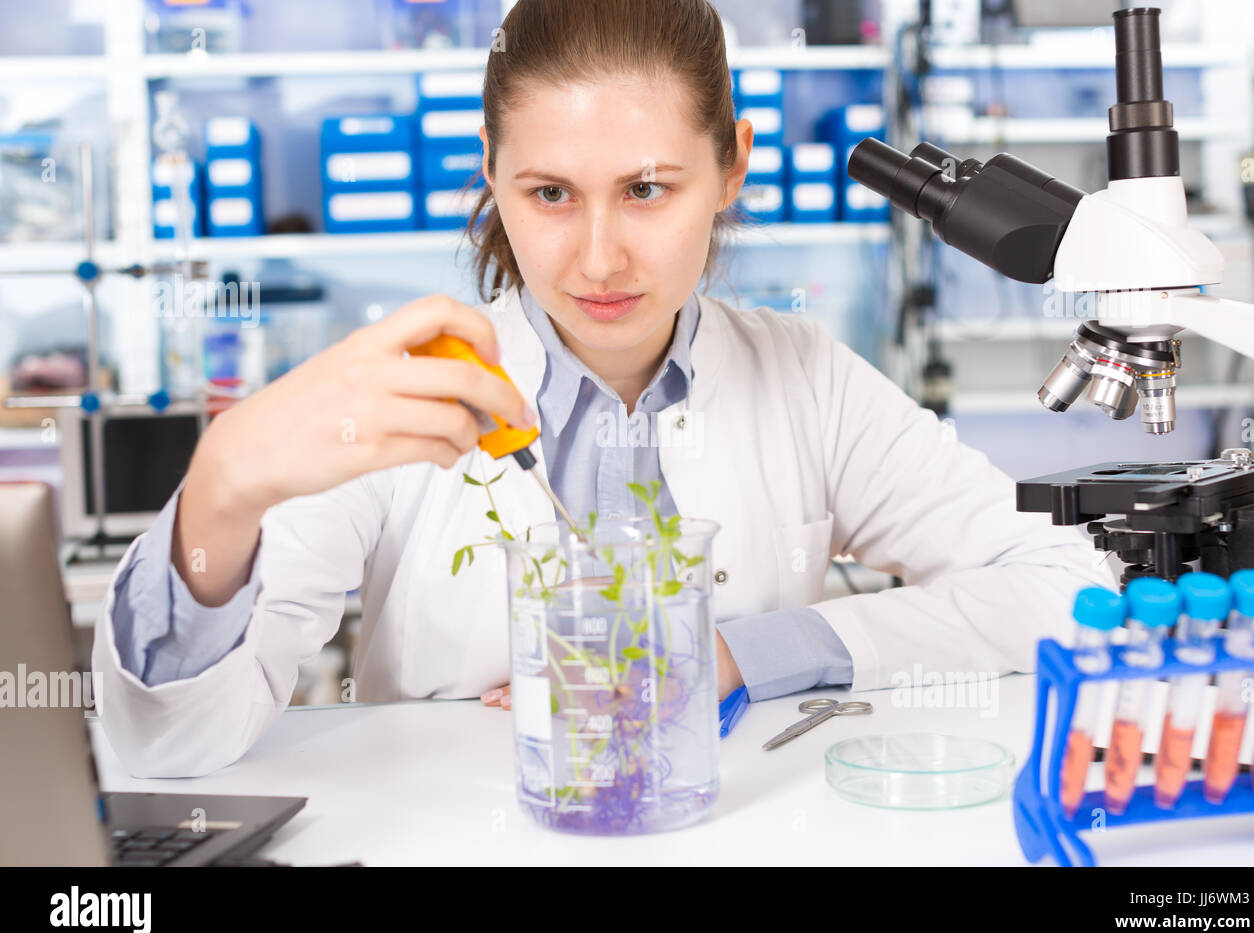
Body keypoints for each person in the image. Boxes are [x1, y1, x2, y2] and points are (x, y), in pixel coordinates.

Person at [92, 0, 1114, 778]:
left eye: (646, 189)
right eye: (548, 193)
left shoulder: (807, 377)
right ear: (492, 172)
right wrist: (218, 494)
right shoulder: (415, 386)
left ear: (731, 168)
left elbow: (1070, 589)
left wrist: (737, 651)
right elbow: (170, 741)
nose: (597, 256)